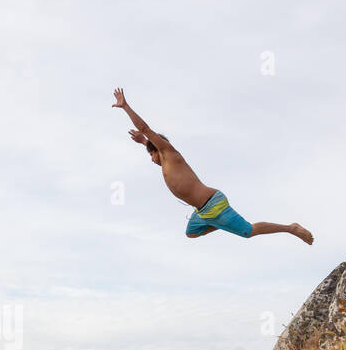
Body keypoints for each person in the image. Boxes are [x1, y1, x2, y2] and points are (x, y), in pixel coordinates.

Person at [112, 88, 313, 244]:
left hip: (213, 204)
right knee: (191, 233)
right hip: (202, 212)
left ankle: (291, 228)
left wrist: (126, 107)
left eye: (150, 154)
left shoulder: (169, 153)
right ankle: (220, 224)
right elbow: (153, 149)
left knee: (248, 231)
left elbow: (145, 128)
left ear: (157, 149)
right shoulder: (165, 164)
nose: (151, 159)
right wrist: (142, 143)